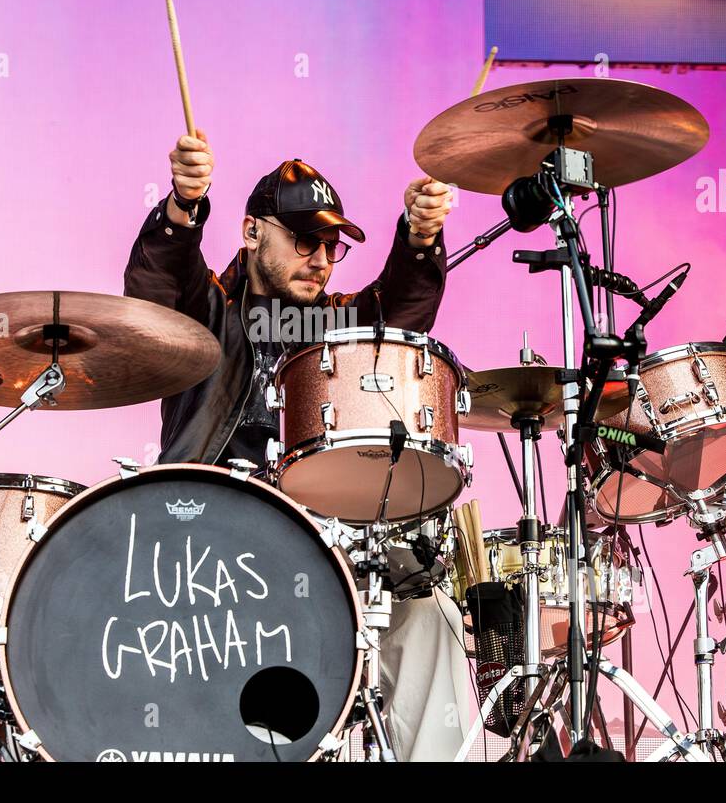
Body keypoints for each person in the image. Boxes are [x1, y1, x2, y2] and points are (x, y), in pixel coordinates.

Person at [123, 130, 473, 761]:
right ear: (253, 232)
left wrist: (419, 242)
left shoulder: (335, 324)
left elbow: (397, 317)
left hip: (325, 549)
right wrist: (182, 208)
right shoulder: (207, 307)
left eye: (332, 246)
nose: (322, 259)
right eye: (305, 241)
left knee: (428, 617)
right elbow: (155, 287)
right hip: (210, 549)